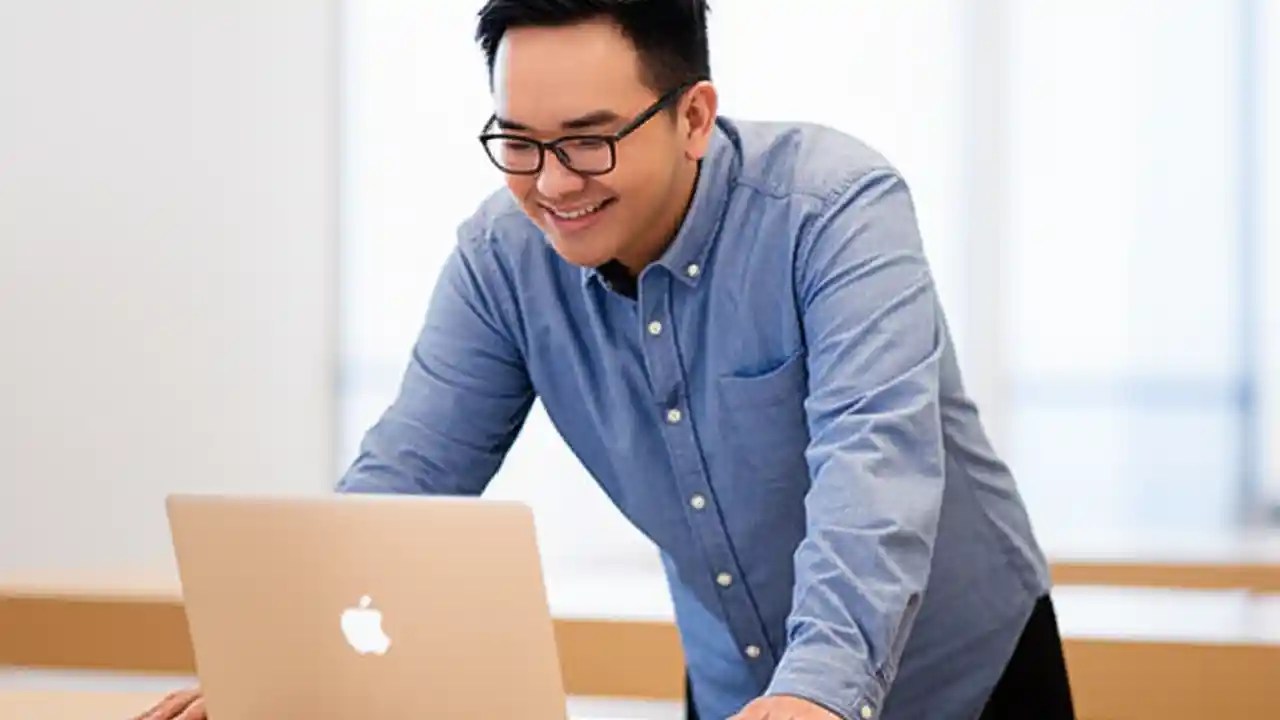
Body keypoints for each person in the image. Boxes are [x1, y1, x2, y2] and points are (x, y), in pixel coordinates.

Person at [138, 1, 1076, 719]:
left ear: (695, 115)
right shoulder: (502, 260)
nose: (550, 185)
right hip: (739, 685)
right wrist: (276, 666)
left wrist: (818, 696)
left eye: (587, 141)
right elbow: (408, 477)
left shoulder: (835, 212)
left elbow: (872, 470)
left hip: (965, 676)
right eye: (519, 142)